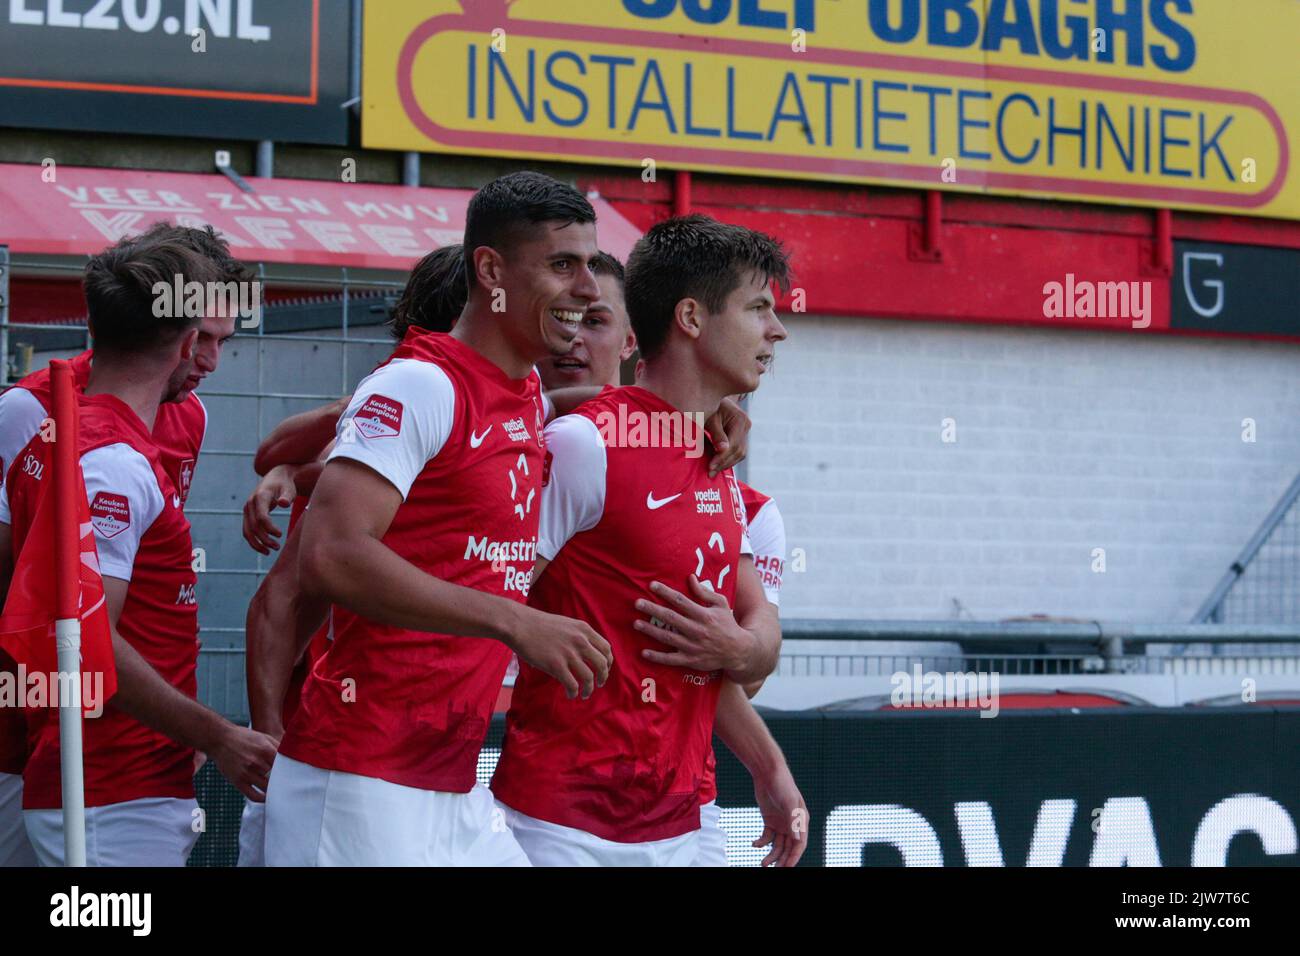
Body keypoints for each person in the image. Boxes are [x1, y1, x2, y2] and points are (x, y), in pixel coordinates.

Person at [264, 171, 615, 866]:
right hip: (360, 779)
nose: (589, 290)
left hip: (450, 782)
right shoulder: (418, 383)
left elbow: (588, 401)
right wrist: (514, 619)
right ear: (490, 270)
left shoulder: (525, 394)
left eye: (591, 267)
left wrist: (700, 417)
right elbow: (330, 556)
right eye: (563, 265)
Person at [490, 214, 807, 866]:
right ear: (690, 317)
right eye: (757, 309)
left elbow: (755, 647)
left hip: (687, 822)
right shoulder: (583, 445)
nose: (776, 330)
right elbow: (488, 601)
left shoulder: (718, 458)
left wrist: (767, 761)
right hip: (561, 825)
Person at [0, 228, 276, 866]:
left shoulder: (173, 417)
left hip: (109, 754)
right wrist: (206, 728)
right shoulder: (36, 417)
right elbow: (84, 630)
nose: (208, 360)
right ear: (176, 335)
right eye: (203, 339)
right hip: (76, 757)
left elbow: (129, 586)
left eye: (223, 341)